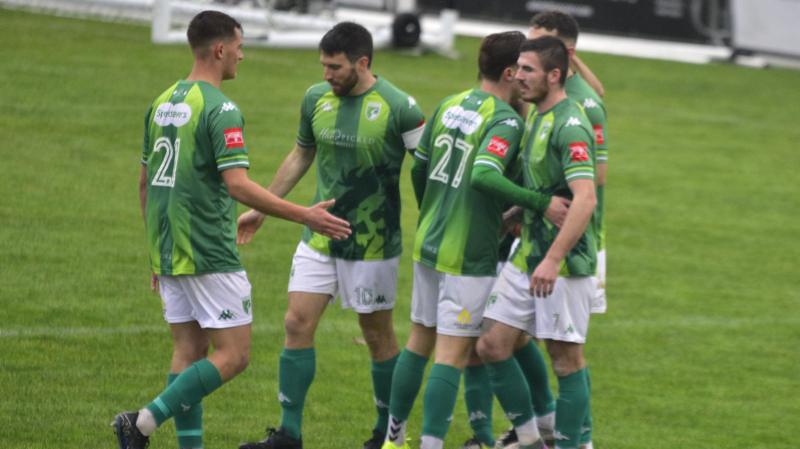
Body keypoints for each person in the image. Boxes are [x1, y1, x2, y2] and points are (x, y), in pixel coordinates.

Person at [111, 10, 351, 449]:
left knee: (189, 353)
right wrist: (304, 214)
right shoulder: (220, 110)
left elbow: (145, 183)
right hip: (207, 250)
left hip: (167, 248)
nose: (243, 55)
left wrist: (156, 251)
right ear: (220, 49)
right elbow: (237, 185)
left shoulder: (161, 102)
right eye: (239, 47)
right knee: (235, 355)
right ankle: (142, 422)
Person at [236, 21, 426, 449]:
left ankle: (387, 435)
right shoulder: (315, 99)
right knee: (295, 322)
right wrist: (262, 207)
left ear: (363, 63)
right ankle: (289, 435)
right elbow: (301, 153)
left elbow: (430, 167)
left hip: (373, 244)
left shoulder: (400, 107)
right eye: (323, 65)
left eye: (335, 67)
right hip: (318, 235)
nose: (327, 75)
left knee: (377, 336)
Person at [380, 31, 569, 449]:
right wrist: (539, 202)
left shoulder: (449, 103)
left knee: (418, 343)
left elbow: (419, 168)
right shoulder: (505, 121)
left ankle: (393, 440)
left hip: (428, 239)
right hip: (467, 252)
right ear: (509, 72)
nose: (525, 77)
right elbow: (484, 174)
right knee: (451, 355)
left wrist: (433, 210)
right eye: (522, 68)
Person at [477, 35, 597, 449]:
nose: (518, 76)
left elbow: (586, 198)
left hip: (562, 265)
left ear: (555, 75)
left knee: (566, 360)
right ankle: (529, 440)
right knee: (492, 345)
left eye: (528, 69)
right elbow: (547, 189)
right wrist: (516, 214)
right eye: (518, 68)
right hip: (527, 253)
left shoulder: (570, 124)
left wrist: (554, 258)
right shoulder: (536, 116)